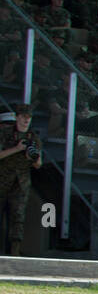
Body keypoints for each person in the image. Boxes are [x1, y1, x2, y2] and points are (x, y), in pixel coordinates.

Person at [0, 105, 42, 255]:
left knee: (18, 217)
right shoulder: (4, 133)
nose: (26, 120)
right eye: (24, 116)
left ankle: (14, 252)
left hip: (21, 183)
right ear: (17, 117)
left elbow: (38, 164)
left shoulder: (33, 138)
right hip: (3, 180)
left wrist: (31, 158)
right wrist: (16, 149)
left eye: (29, 117)